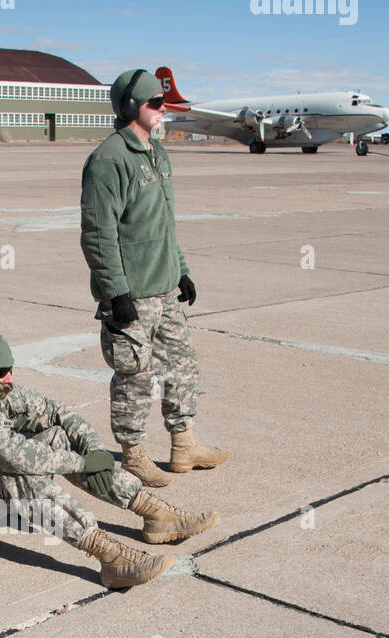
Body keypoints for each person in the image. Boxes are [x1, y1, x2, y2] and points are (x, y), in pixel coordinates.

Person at [0, 330, 220, 588]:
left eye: (10, 370)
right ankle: (109, 556)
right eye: (1, 372)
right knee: (15, 471)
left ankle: (153, 512)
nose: (10, 378)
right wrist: (83, 464)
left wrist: (94, 451)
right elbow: (17, 456)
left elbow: (56, 413)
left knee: (58, 437)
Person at [80, 68, 229, 488]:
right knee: (135, 376)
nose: (163, 109)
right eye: (155, 103)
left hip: (164, 288)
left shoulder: (158, 153)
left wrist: (181, 269)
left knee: (182, 365)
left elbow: (164, 222)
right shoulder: (109, 160)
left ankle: (184, 446)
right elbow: (98, 233)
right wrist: (116, 292)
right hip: (133, 293)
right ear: (131, 107)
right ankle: (133, 455)